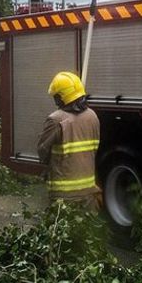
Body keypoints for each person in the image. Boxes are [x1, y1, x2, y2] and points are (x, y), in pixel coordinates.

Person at [37, 71, 100, 208]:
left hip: (64, 195)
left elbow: (42, 152)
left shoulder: (55, 120)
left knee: (60, 228)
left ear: (61, 97)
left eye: (56, 96)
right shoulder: (93, 116)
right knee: (86, 228)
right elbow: (94, 148)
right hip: (88, 190)